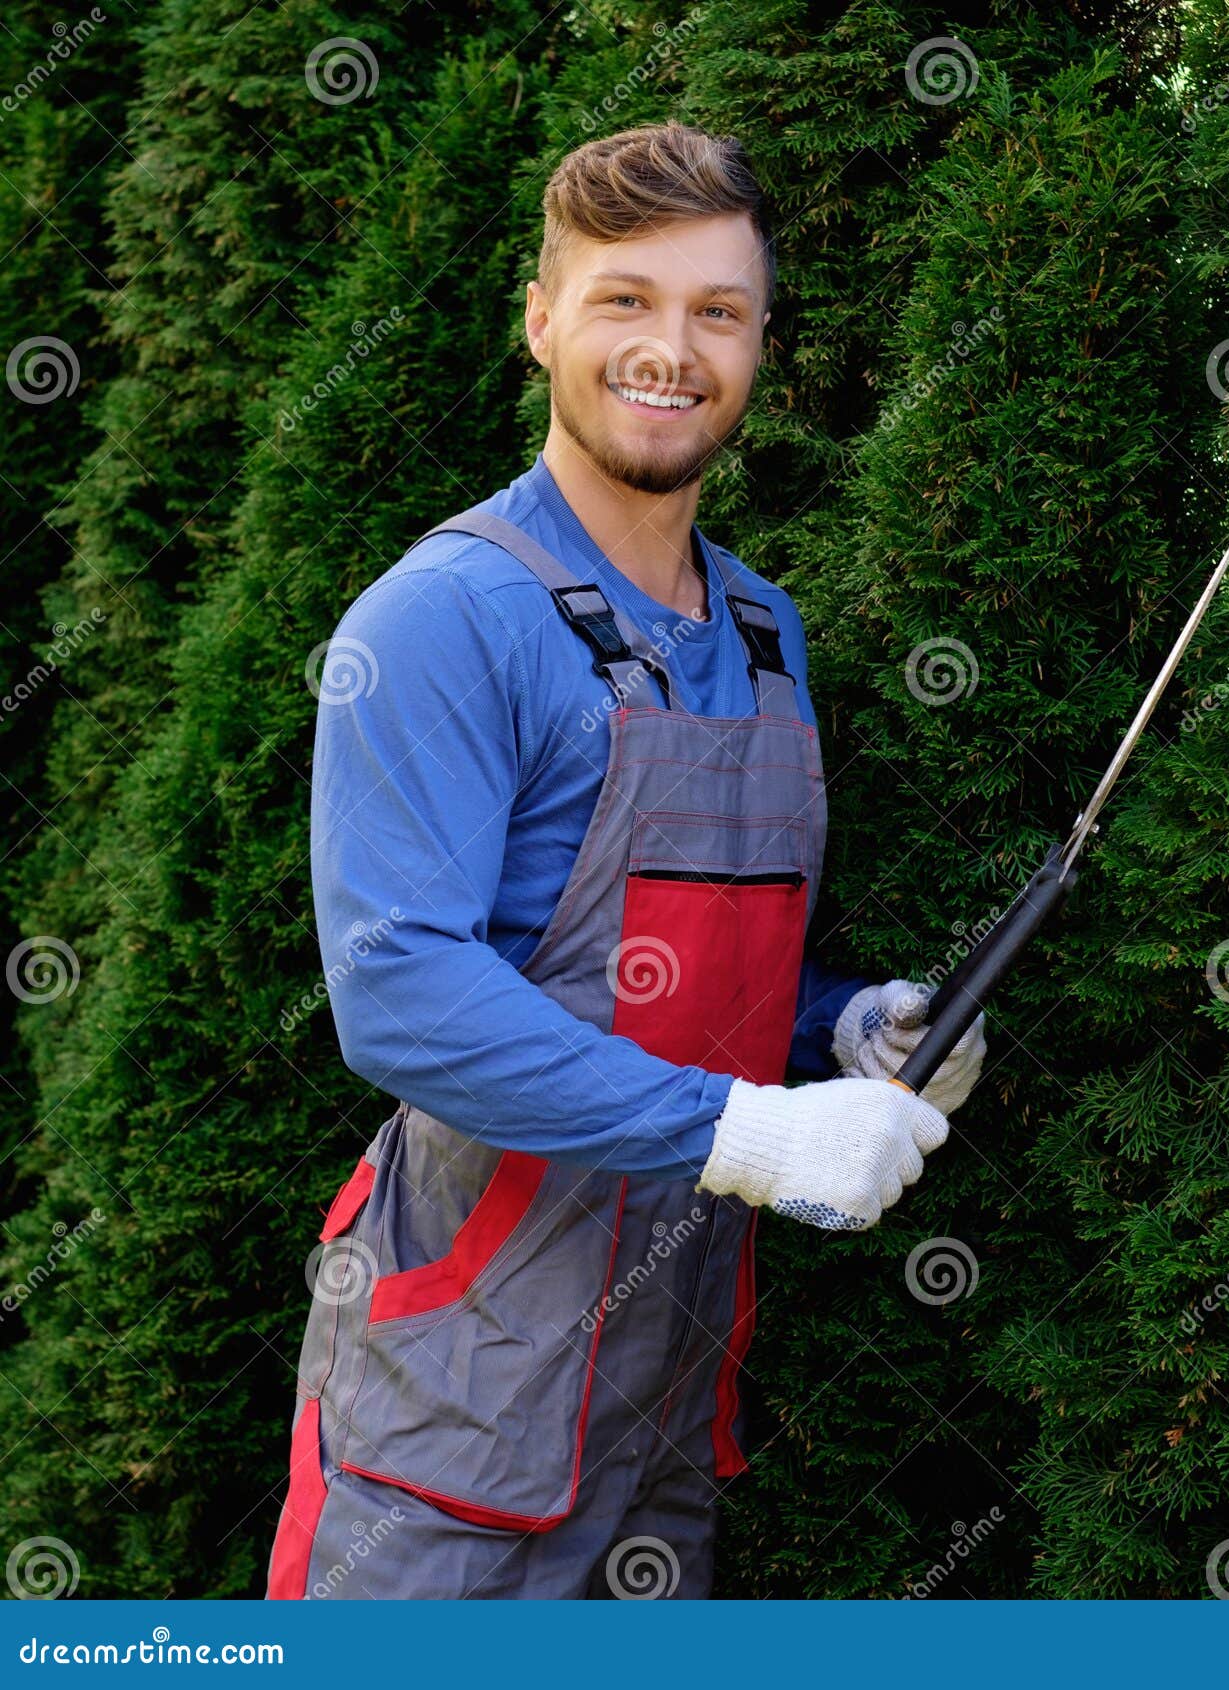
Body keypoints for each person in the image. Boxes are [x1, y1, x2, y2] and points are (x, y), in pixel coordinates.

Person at [264, 121, 986, 1602]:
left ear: (762, 345)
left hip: (663, 1411)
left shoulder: (765, 636)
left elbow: (643, 974)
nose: (672, 348)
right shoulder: (442, 619)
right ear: (540, 321)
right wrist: (757, 1139)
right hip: (453, 1431)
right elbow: (399, 992)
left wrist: (844, 1028)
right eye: (623, 300)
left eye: (716, 311)